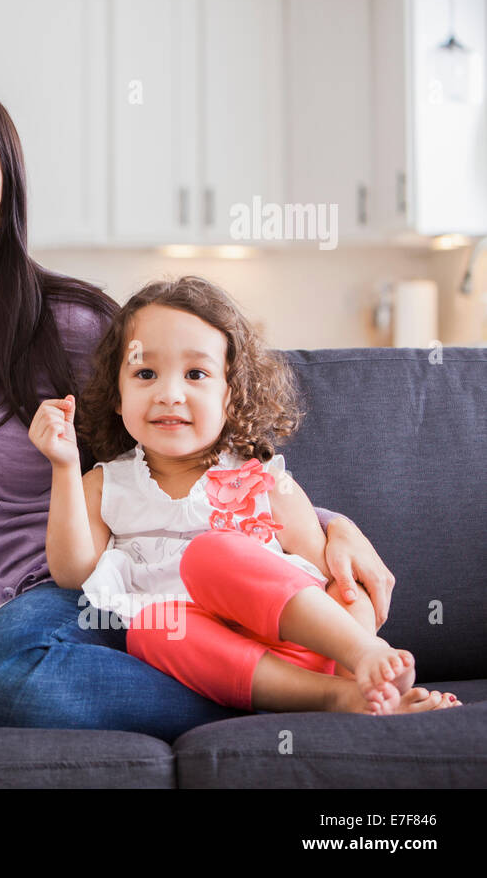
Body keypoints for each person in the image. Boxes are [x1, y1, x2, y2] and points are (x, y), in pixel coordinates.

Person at [0, 80, 400, 741]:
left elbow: (193, 430)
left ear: (2, 207)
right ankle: (13, 694)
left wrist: (327, 523)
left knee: (8, 679)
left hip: (62, 605)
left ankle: (278, 691)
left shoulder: (69, 324)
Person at [28, 275, 460, 716]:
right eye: (145, 373)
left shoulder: (264, 482)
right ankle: (339, 698)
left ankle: (359, 678)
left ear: (231, 395)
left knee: (209, 555)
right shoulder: (105, 485)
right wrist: (63, 465)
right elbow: (74, 574)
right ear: (118, 395)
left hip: (312, 644)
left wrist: (364, 652)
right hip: (247, 673)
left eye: (196, 374)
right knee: (151, 629)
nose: (169, 394)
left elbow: (343, 585)